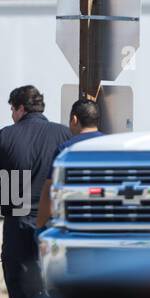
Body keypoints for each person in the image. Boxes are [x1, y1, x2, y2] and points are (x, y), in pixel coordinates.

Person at [0, 85, 72, 298]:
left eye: (12, 109)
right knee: (56, 286)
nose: (11, 114)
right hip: (53, 223)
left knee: (19, 287)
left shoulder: (3, 137)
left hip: (17, 223)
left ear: (21, 108)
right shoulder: (64, 135)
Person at [36, 97, 104, 228]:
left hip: (74, 220)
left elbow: (50, 189)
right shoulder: (111, 145)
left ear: (74, 120)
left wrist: (40, 224)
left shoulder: (66, 149)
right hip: (104, 220)